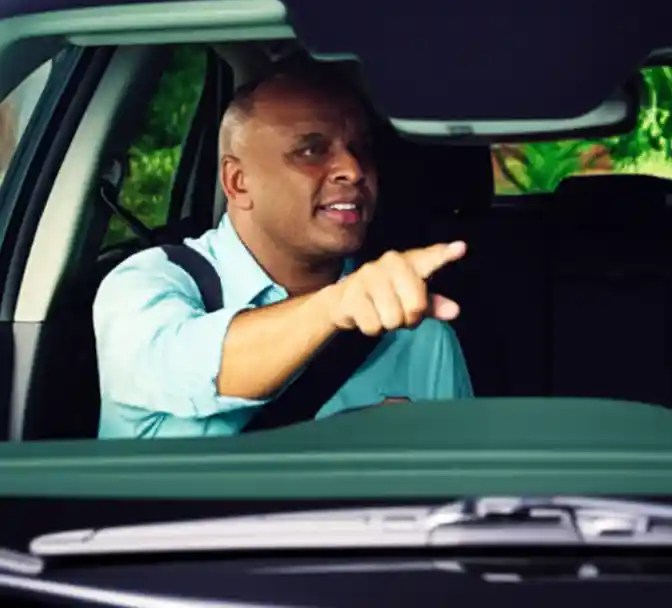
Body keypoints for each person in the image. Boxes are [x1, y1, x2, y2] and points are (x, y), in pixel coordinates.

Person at [94, 60, 473, 439]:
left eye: (361, 149)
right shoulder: (146, 284)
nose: (354, 170)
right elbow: (186, 368)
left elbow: (456, 484)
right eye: (312, 150)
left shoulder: (415, 332)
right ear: (238, 182)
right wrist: (335, 306)